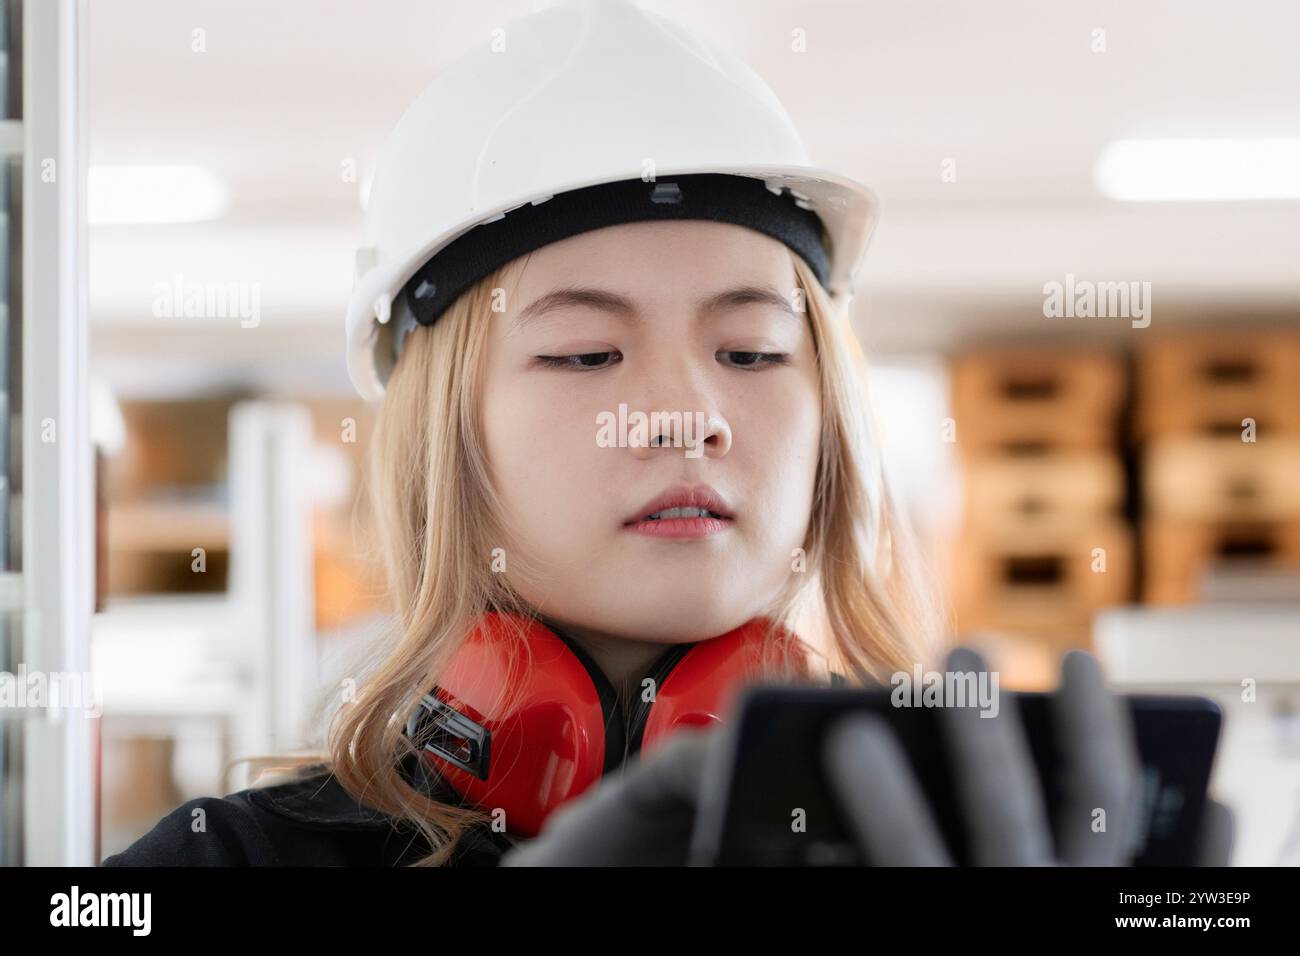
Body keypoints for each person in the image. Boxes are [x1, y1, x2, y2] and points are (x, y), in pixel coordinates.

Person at [102, 0, 1230, 868]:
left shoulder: (973, 844)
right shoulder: (225, 862)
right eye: (585, 355)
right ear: (440, 445)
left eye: (750, 351)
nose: (686, 412)